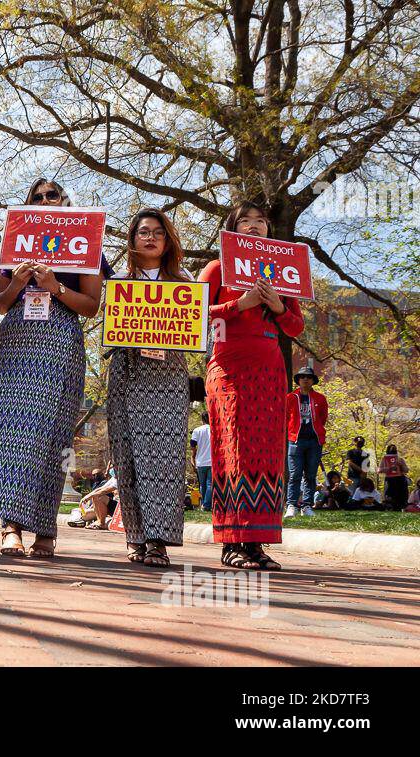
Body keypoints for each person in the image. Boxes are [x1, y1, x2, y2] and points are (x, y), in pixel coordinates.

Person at [0, 178, 102, 558]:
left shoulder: (86, 239)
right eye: (36, 197)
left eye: (51, 195)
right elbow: (0, 304)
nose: (44, 200)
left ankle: (44, 529)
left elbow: (91, 305)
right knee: (13, 434)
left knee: (52, 437)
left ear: (64, 201)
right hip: (16, 340)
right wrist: (17, 282)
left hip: (60, 340)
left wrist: (56, 287)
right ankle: (10, 526)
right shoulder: (13, 240)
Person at [198, 201, 304, 570]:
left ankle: (257, 542)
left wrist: (277, 306)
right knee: (233, 449)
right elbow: (191, 313)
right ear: (232, 228)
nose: (255, 226)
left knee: (266, 455)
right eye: (246, 220)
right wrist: (237, 305)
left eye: (262, 221)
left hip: (270, 370)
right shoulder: (216, 269)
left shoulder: (283, 272)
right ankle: (232, 542)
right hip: (228, 369)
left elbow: (295, 327)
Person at [106, 208, 192, 568]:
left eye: (158, 232)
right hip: (127, 372)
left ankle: (159, 541)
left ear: (168, 239)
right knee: (128, 456)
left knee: (164, 458)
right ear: (133, 240)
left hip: (168, 375)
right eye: (143, 232)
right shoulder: (121, 279)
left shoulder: (185, 280)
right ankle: (136, 537)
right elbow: (110, 325)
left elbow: (197, 329)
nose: (151, 237)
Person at [284, 366, 328, 518]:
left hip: (314, 441)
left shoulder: (320, 398)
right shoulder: (290, 398)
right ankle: (291, 505)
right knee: (295, 474)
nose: (305, 379)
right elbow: (286, 418)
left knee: (310, 475)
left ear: (312, 381)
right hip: (295, 441)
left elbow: (323, 418)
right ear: (298, 380)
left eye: (308, 377)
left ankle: (307, 506)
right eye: (302, 377)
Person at [191, 412, 213, 512]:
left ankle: (204, 505)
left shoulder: (196, 430)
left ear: (202, 420)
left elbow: (193, 446)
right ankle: (206, 505)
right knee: (209, 484)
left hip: (200, 461)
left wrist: (193, 458)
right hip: (212, 462)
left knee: (202, 484)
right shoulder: (214, 430)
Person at [379, 444, 410, 510]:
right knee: (390, 495)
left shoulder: (400, 459)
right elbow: (380, 470)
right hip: (390, 480)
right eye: (391, 448)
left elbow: (406, 470)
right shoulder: (384, 459)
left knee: (401, 496)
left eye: (394, 448)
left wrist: (401, 465)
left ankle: (401, 507)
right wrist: (389, 468)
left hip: (400, 479)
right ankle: (391, 507)